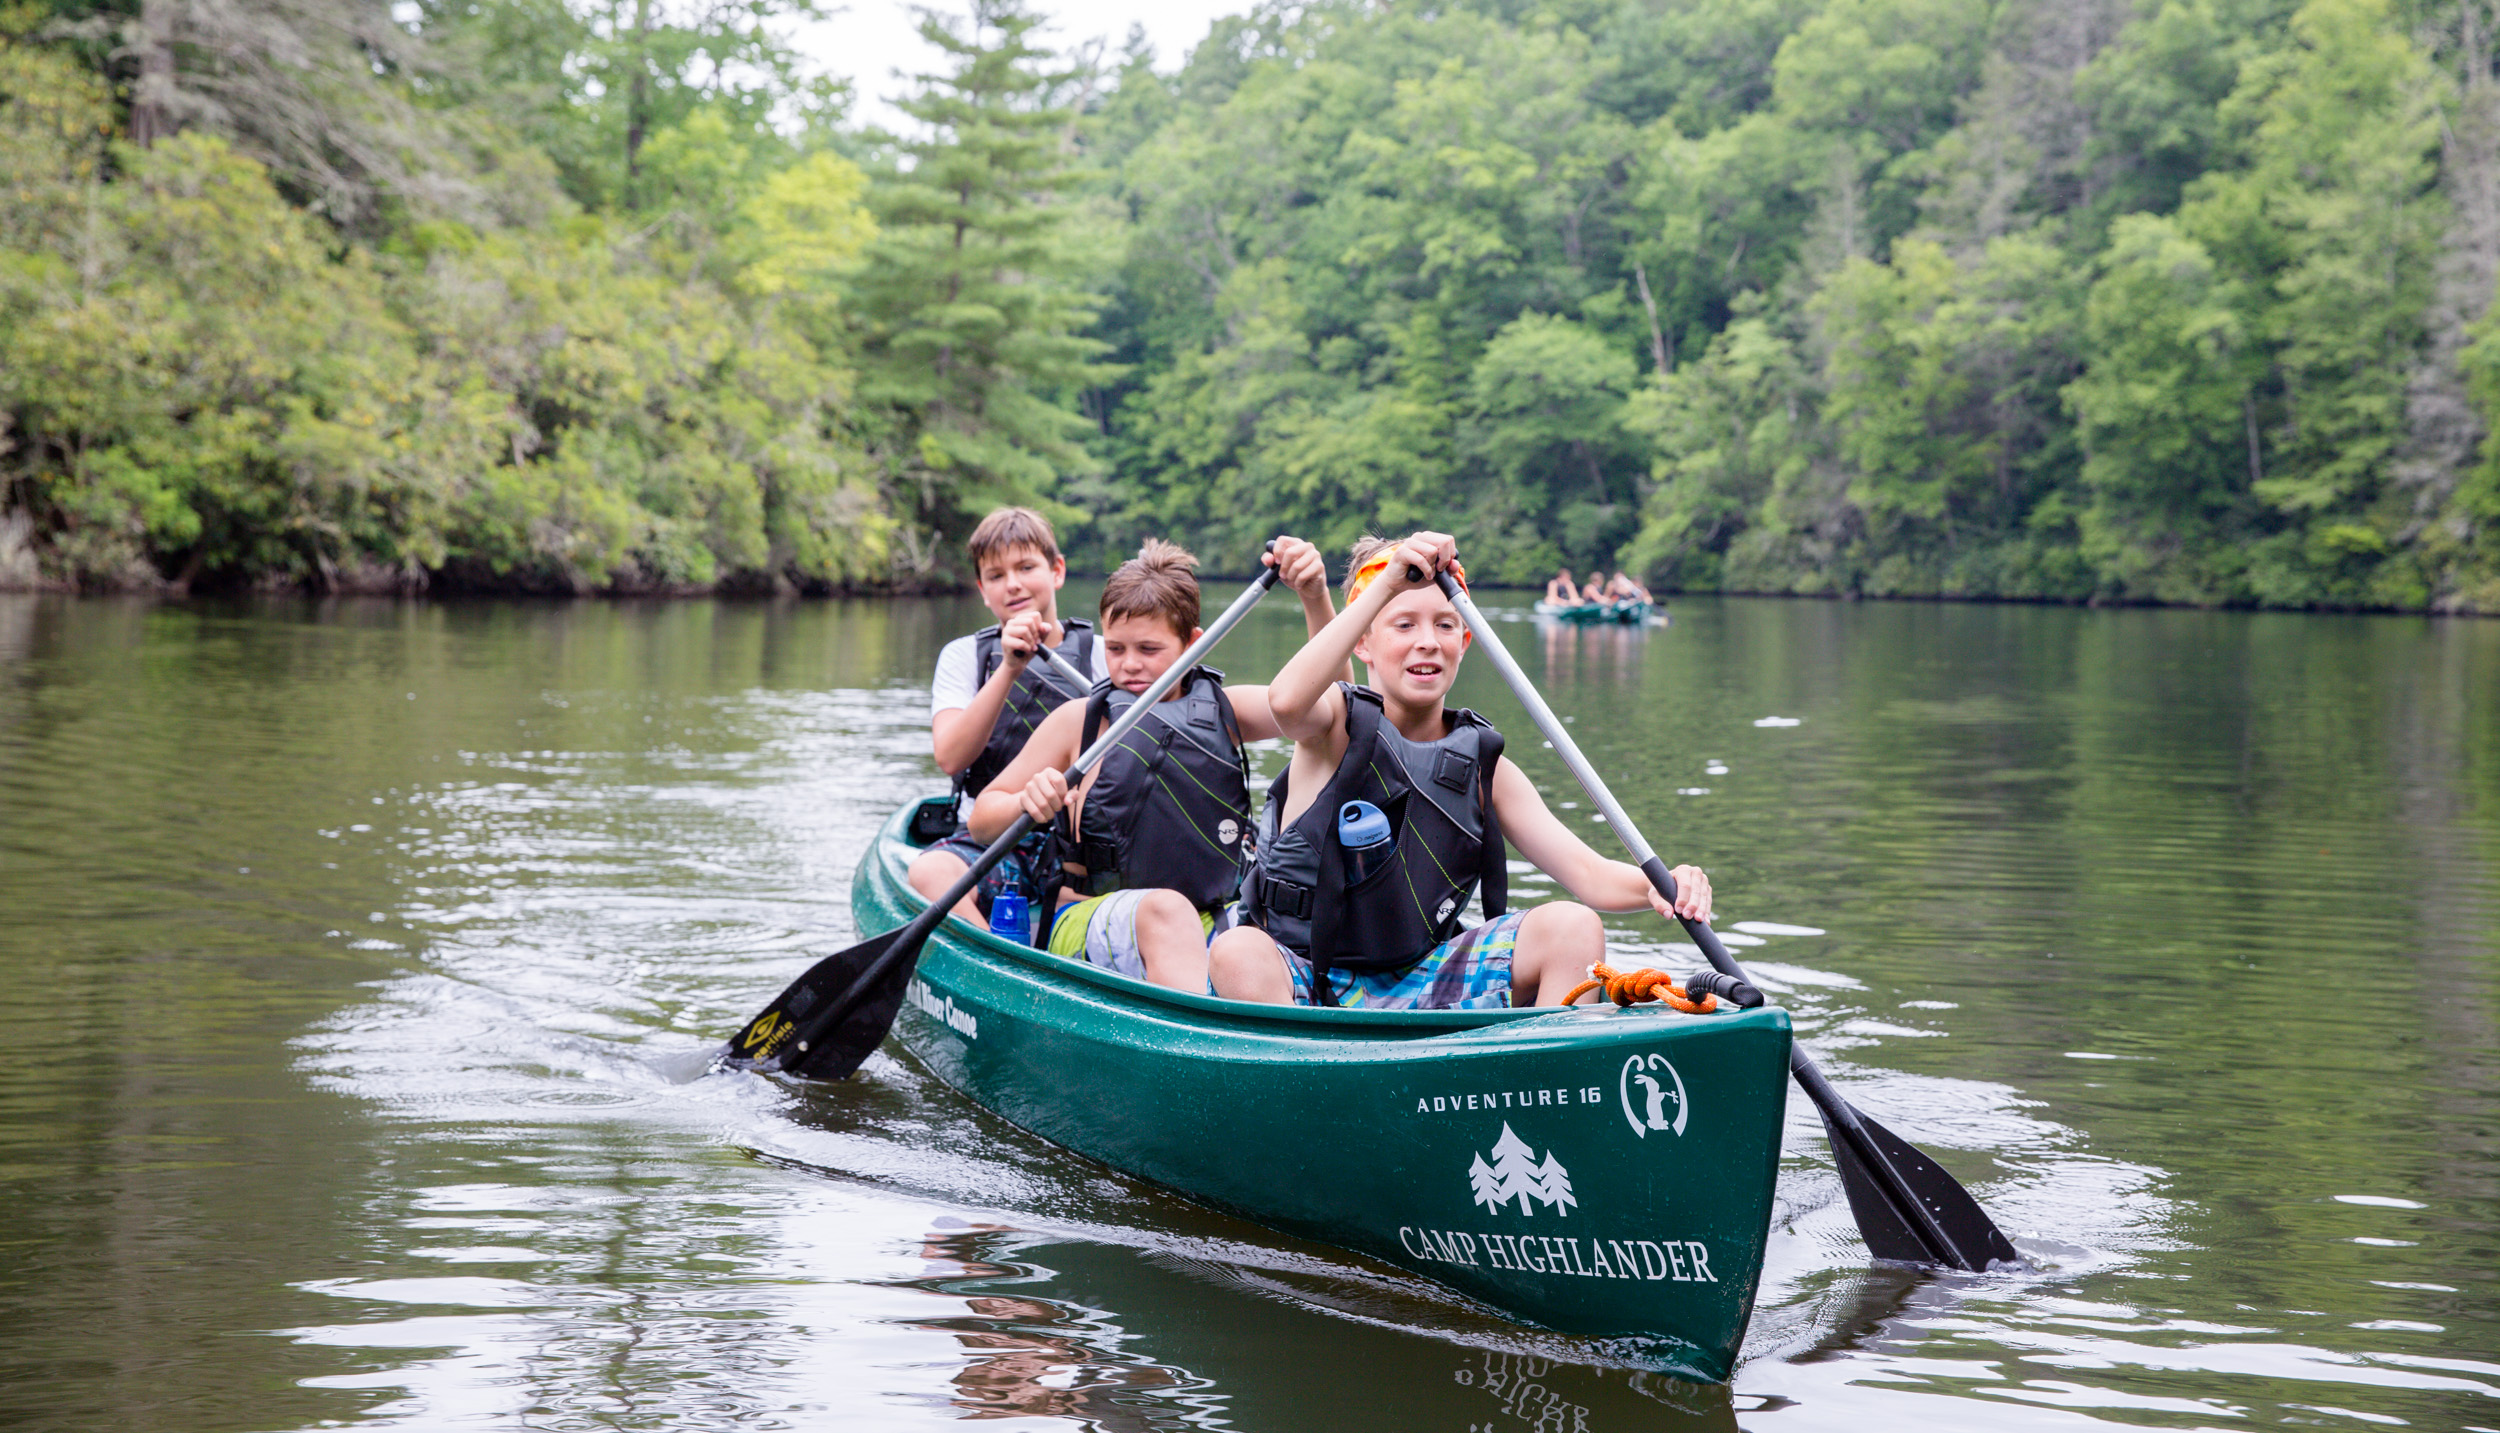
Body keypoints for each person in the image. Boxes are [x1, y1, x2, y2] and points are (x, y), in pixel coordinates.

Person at [1210, 531, 1714, 1009]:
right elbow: (1286, 702)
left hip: (1422, 975)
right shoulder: (1332, 726)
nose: (1427, 641)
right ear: (1362, 643)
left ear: (1465, 641)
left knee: (1573, 927)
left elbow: (1589, 874)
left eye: (1444, 624)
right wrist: (1386, 582)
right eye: (1403, 624)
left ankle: (1544, 1074)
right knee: (1235, 950)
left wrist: (1660, 885)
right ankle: (1309, 1086)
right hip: (1308, 976)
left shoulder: (1483, 767)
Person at [969, 537, 1339, 991]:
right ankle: (1203, 1042)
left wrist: (1314, 595)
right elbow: (982, 823)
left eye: (1148, 650)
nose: (1129, 667)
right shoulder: (1079, 723)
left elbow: (1336, 713)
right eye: (1116, 649)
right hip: (1083, 918)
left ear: (1192, 645)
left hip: (1213, 918)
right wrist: (1025, 803)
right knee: (1166, 910)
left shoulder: (1228, 712)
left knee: (1267, 936)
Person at [907, 507, 1108, 924]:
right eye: (996, 576)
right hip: (990, 841)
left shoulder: (1109, 655)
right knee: (930, 871)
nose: (1013, 584)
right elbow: (950, 757)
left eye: (1026, 567)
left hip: (1082, 849)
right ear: (983, 589)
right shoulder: (964, 656)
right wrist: (1009, 668)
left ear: (1057, 571)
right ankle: (992, 966)